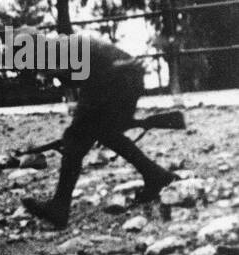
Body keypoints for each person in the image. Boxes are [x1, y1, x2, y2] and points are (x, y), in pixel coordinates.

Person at [21, 32, 176, 229]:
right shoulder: (59, 50)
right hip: (120, 80)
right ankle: (156, 175)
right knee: (104, 134)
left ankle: (59, 208)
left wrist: (79, 129)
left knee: (75, 139)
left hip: (119, 79)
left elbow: (97, 78)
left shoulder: (62, 51)